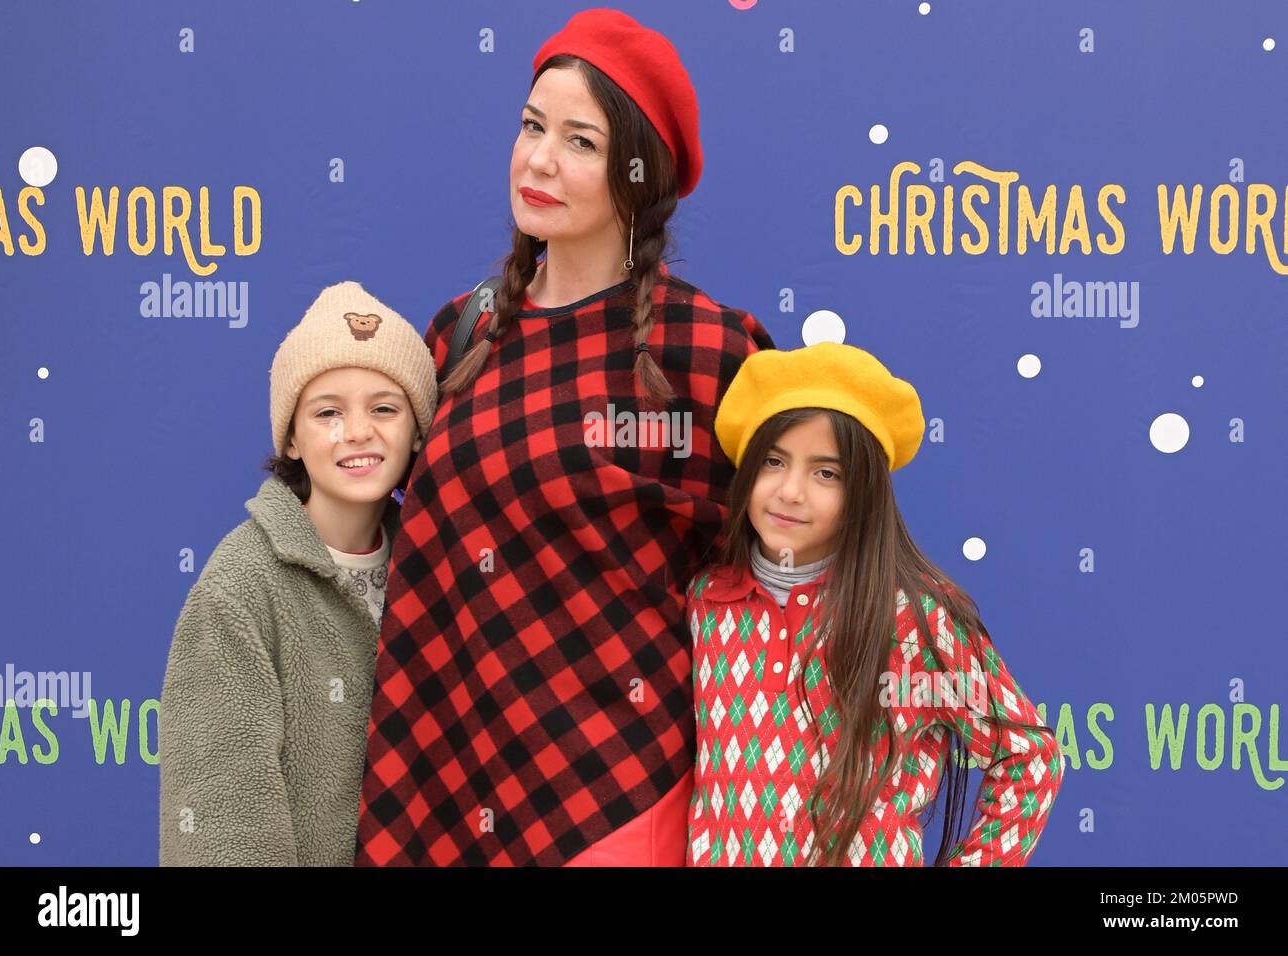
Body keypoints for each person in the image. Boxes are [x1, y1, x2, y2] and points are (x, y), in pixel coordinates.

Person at [355, 8, 776, 866]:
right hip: (447, 792)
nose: (540, 159)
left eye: (580, 141)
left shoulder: (712, 351)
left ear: (637, 174)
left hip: (617, 801)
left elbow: (795, 571)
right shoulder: (461, 336)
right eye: (531, 126)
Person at [685, 341, 1065, 865]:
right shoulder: (707, 604)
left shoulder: (913, 615)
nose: (790, 490)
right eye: (774, 461)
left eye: (826, 473)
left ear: (863, 492)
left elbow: (1030, 757)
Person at [159, 281, 437, 865]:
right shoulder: (240, 587)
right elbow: (221, 826)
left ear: (418, 429)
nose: (358, 431)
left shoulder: (439, 563)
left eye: (384, 408)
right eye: (328, 412)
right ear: (290, 437)